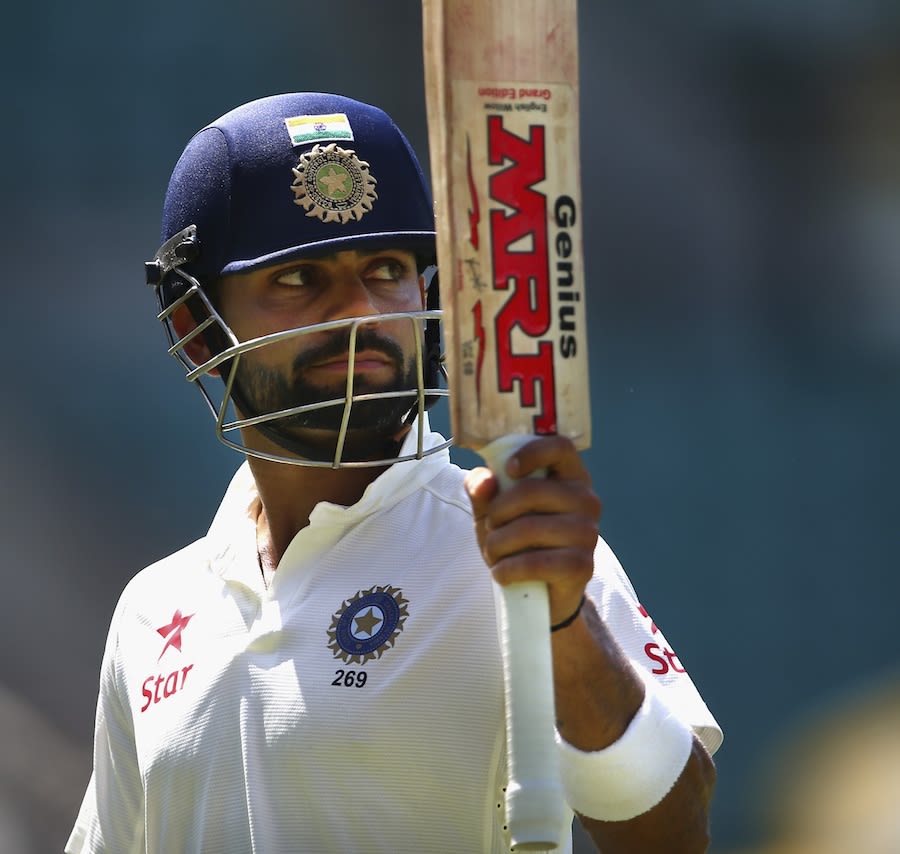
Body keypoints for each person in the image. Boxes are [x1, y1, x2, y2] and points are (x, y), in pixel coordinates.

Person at [67, 91, 722, 854]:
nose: (360, 310)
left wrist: (564, 621)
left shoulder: (509, 548)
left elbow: (672, 836)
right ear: (194, 331)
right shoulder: (154, 609)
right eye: (297, 278)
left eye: (386, 268)